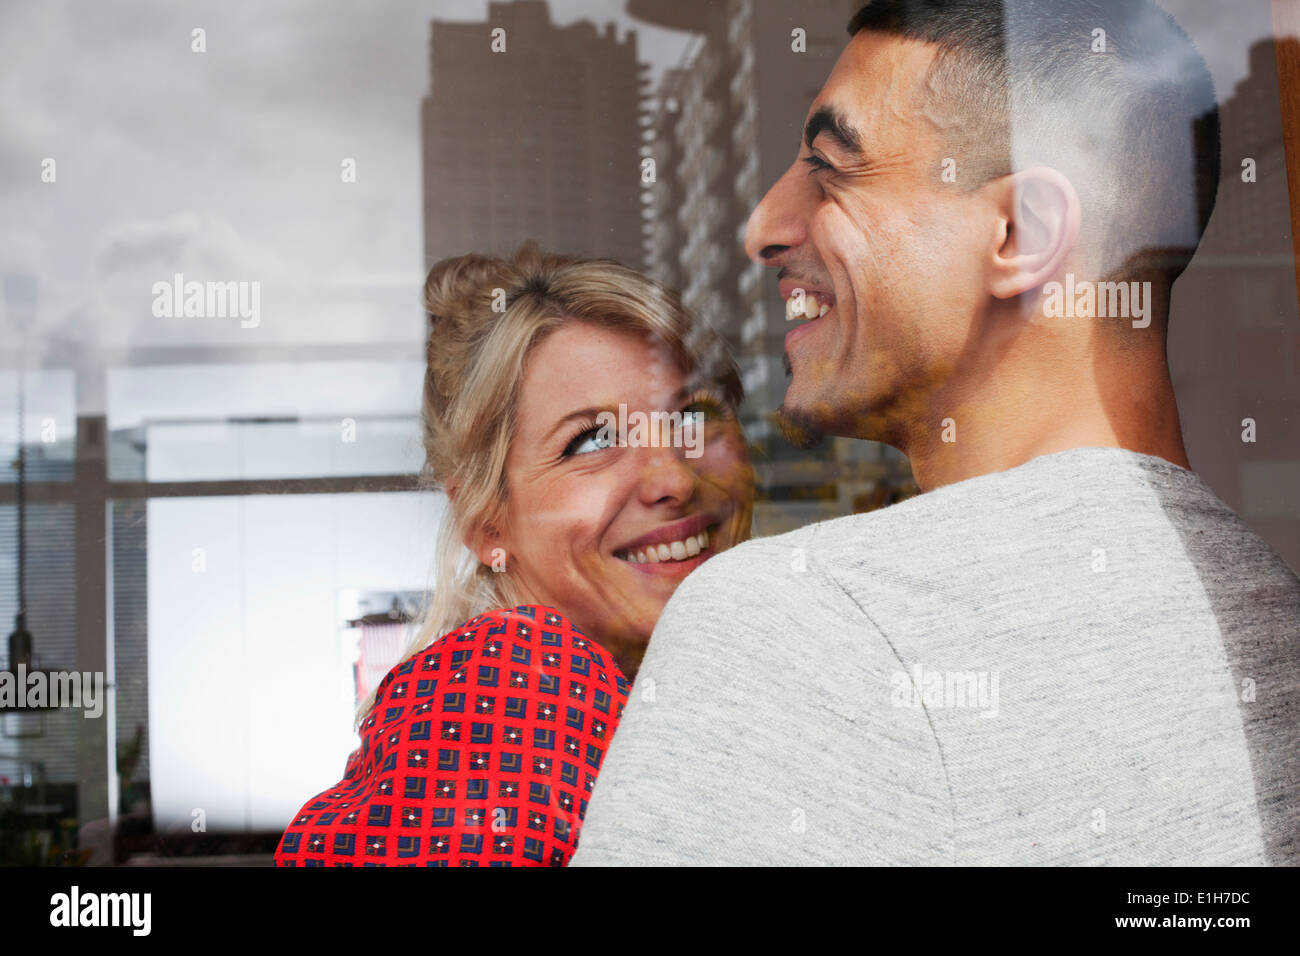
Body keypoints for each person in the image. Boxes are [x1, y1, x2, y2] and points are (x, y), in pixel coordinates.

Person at [570, 0, 1300, 865]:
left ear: (1022, 234)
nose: (766, 225)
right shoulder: (1273, 615)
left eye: (830, 169)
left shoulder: (804, 626)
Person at [275, 242, 754, 865]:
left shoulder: (679, 689)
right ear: (485, 521)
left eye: (693, 415)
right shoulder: (511, 690)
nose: (676, 479)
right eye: (592, 441)